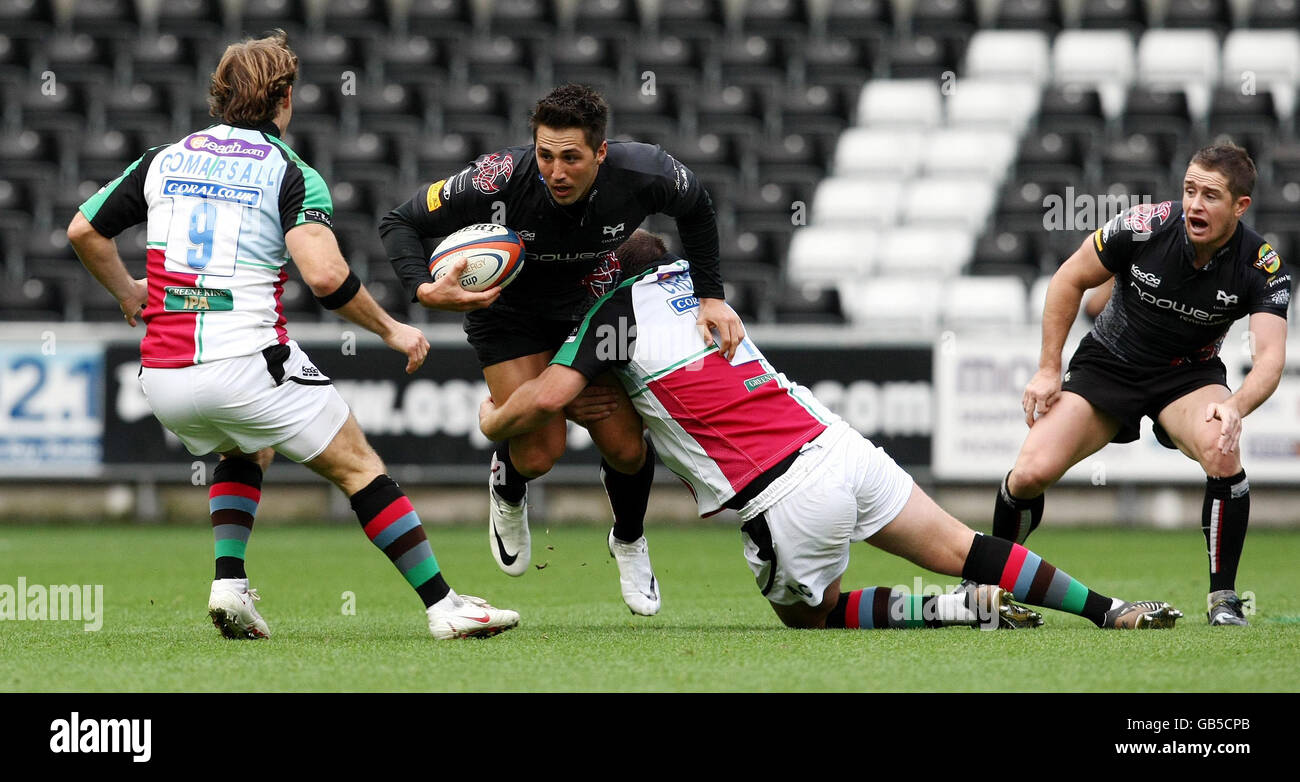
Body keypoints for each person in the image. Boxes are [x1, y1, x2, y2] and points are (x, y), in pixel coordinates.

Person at [477, 230, 1184, 631]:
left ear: (615, 277)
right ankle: (1109, 608)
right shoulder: (702, 289)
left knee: (809, 619)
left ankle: (948, 612)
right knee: (966, 545)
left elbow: (546, 397)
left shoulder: (615, 313)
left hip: (785, 493)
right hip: (839, 444)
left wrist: (494, 418)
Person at [67, 30, 518, 641]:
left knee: (244, 447)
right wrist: (390, 328)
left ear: (219, 97)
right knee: (360, 467)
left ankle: (229, 585)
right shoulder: (290, 172)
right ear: (284, 99)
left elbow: (82, 231)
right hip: (246, 361)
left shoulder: (162, 158)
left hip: (163, 376)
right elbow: (327, 276)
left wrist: (127, 293)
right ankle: (445, 607)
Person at [380, 84, 745, 616]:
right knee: (540, 452)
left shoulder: (646, 171)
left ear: (600, 152)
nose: (556, 171)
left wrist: (712, 296)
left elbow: (697, 206)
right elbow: (399, 222)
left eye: (572, 157)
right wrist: (421, 287)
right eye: (546, 155)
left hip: (590, 305)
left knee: (625, 446)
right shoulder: (497, 177)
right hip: (508, 315)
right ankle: (508, 482)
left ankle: (629, 537)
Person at [994, 143, 1290, 626]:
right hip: (1108, 365)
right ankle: (991, 587)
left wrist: (1236, 405)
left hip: (1187, 376)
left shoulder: (1262, 264)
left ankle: (1224, 599)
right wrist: (1049, 368)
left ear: (1240, 206)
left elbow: (1270, 359)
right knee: (1028, 472)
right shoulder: (1143, 224)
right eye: (1190, 189)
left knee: (1222, 447)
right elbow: (1069, 280)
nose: (1195, 204)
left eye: (1211, 196)